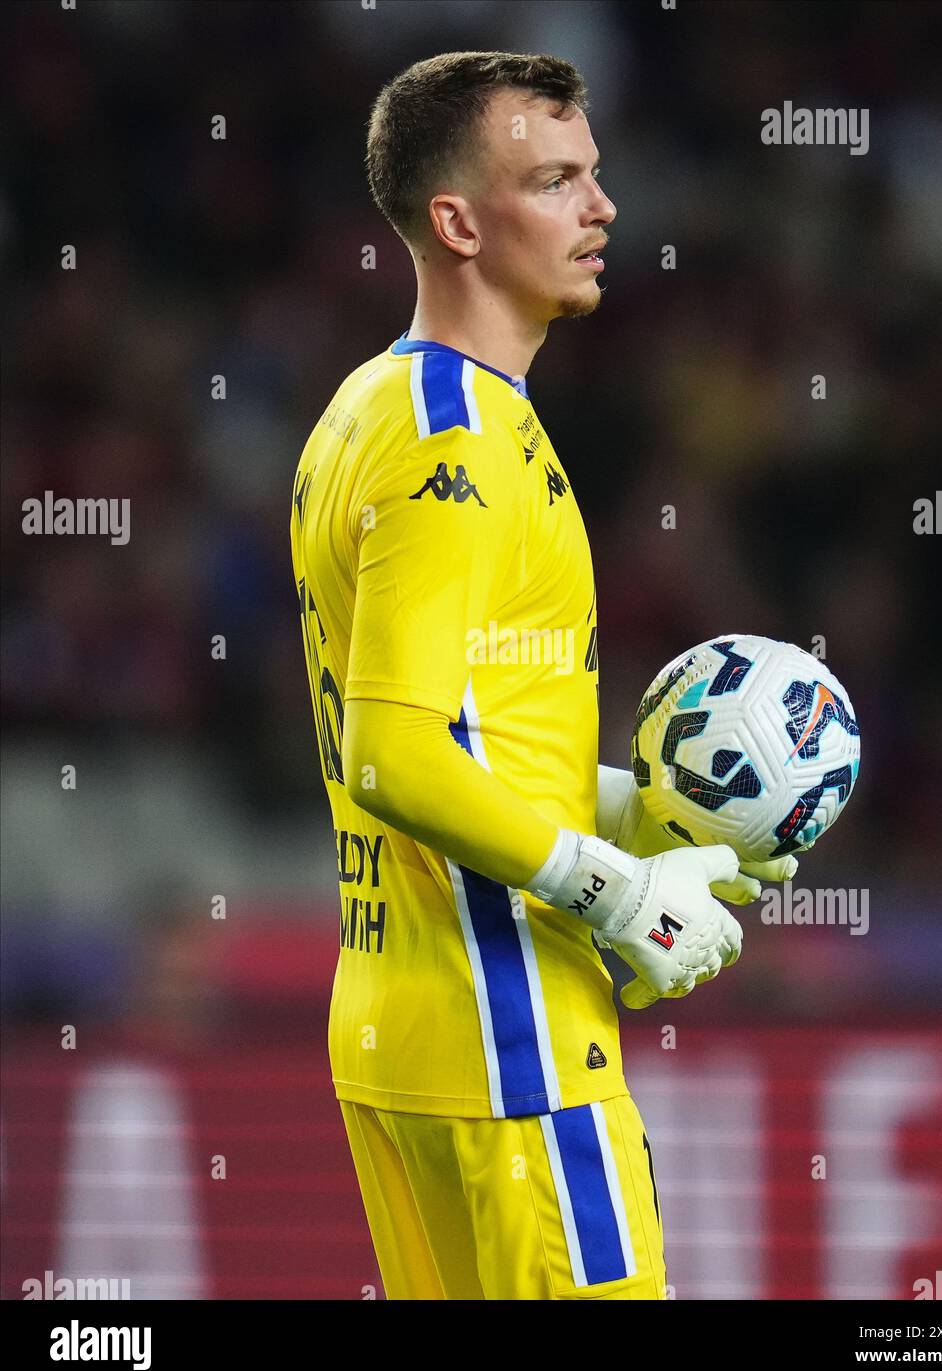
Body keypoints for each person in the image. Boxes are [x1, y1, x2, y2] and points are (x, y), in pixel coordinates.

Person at [290, 49, 790, 1301]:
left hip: (403, 1030)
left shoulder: (367, 410)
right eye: (557, 180)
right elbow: (391, 753)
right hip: (513, 1048)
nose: (601, 208)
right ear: (456, 222)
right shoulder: (448, 443)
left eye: (595, 175)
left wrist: (640, 809)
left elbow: (455, 723)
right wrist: (609, 888)